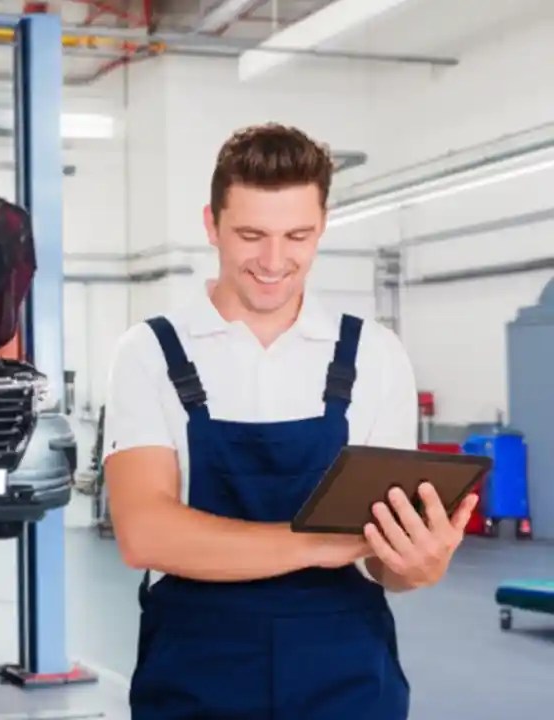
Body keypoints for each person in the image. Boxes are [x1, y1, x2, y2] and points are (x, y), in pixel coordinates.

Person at [102, 122, 479, 720]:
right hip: (196, 671)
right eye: (251, 234)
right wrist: (324, 542)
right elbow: (146, 534)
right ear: (211, 225)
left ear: (322, 226)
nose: (274, 261)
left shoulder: (374, 354)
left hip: (347, 674)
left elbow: (383, 562)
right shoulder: (149, 352)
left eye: (297, 235)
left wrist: (418, 564)